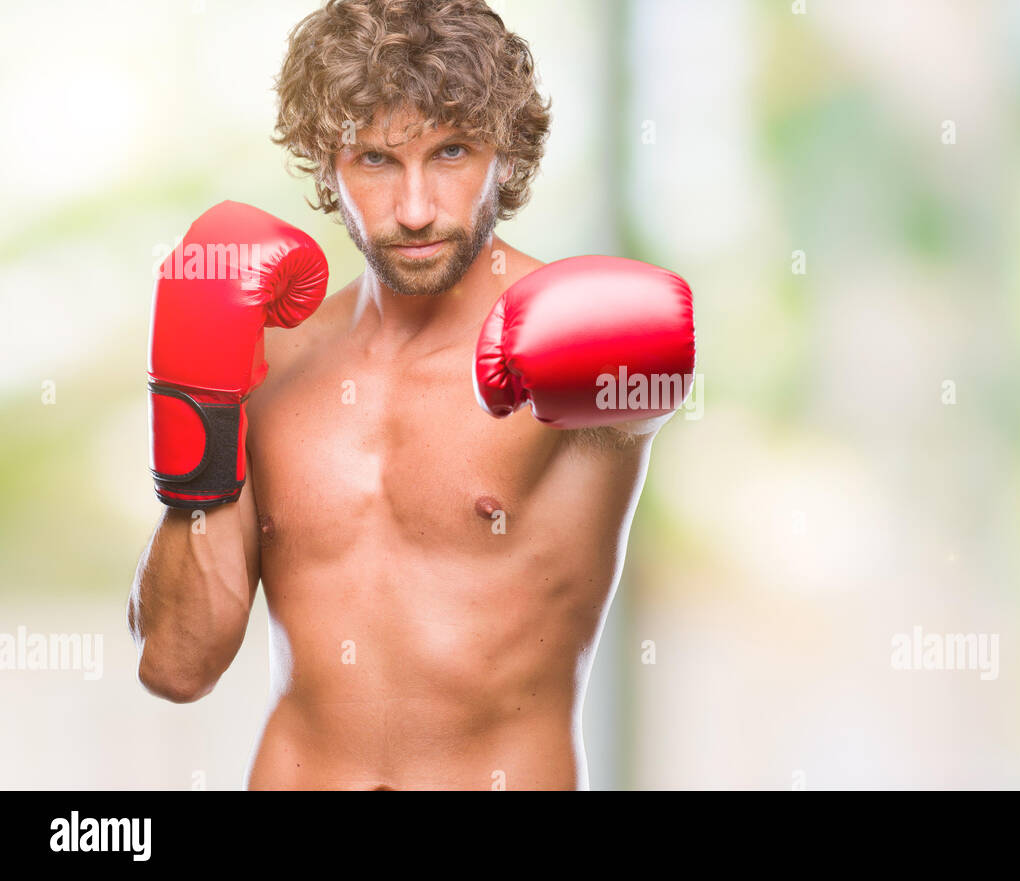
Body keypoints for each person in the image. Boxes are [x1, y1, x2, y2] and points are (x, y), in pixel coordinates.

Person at [129, 0, 694, 790]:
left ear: (507, 153)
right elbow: (177, 664)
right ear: (327, 165)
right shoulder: (266, 360)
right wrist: (197, 413)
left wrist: (656, 366)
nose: (417, 207)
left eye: (452, 151)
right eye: (376, 160)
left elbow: (658, 381)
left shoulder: (576, 341)